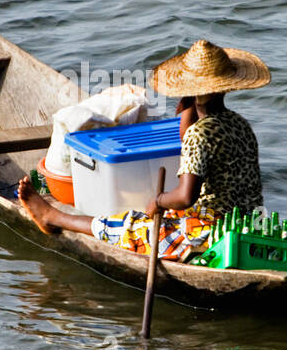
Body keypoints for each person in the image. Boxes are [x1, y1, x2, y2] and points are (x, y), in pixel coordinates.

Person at [16, 39, 267, 261]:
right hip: (249, 225)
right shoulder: (240, 124)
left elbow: (185, 197)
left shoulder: (199, 133)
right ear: (224, 88)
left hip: (211, 232)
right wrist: (191, 104)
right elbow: (189, 141)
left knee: (129, 225)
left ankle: (52, 217)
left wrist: (157, 201)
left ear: (191, 92)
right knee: (161, 218)